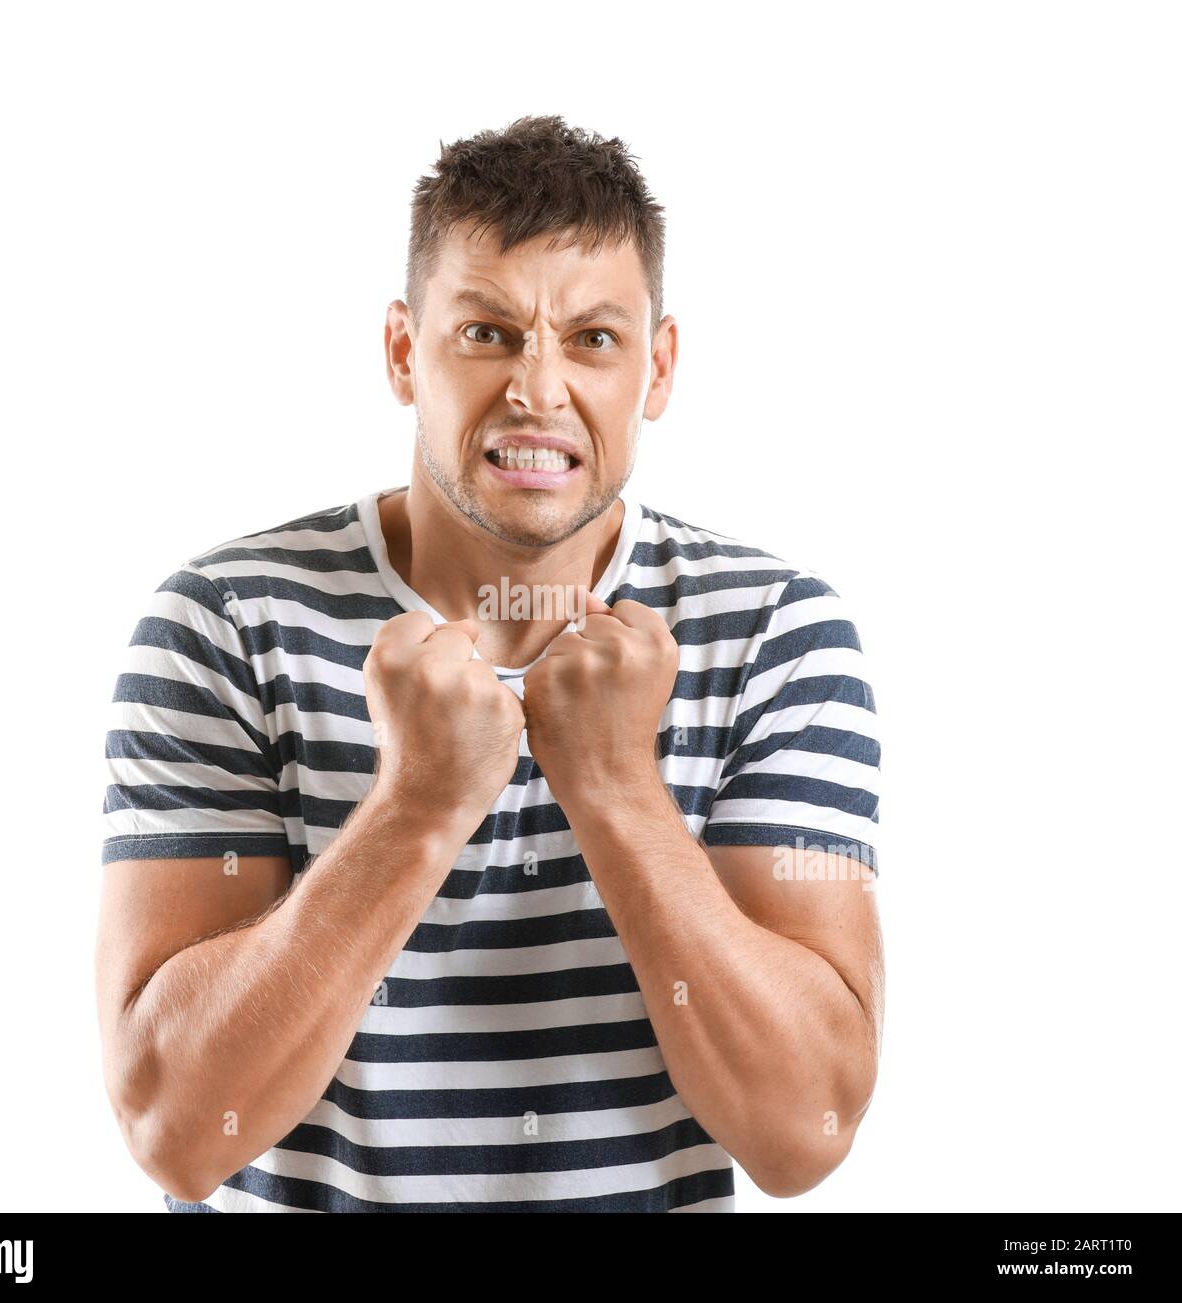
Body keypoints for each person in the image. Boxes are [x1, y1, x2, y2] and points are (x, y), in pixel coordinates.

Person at [96, 114, 884, 1213]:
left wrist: (617, 789)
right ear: (403, 351)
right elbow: (174, 1130)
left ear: (655, 369)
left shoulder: (770, 631)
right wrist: (415, 808)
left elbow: (805, 1133)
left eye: (593, 340)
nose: (538, 389)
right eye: (487, 333)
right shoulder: (224, 619)